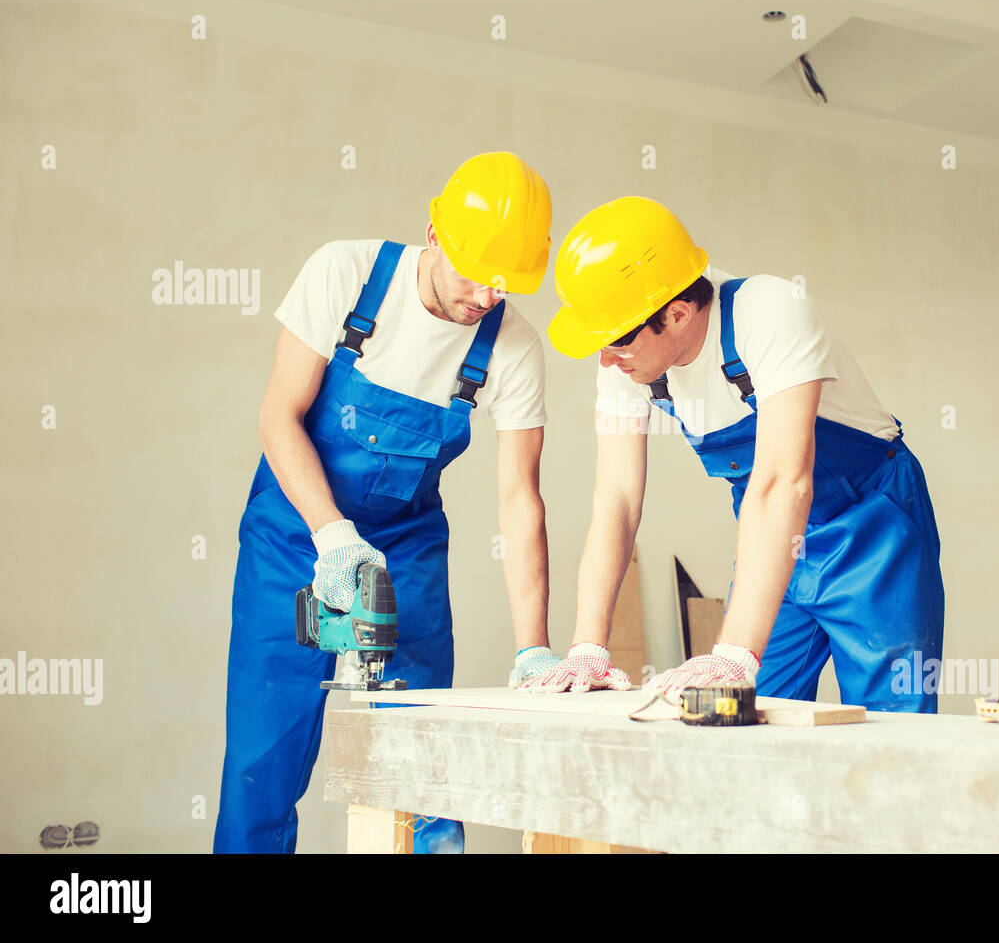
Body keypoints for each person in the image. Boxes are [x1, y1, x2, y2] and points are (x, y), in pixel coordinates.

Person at [215, 152, 562, 853]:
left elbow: (520, 499)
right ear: (433, 234)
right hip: (293, 537)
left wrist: (533, 649)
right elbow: (278, 418)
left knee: (422, 763)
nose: (485, 297)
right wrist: (333, 535)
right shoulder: (346, 275)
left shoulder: (512, 348)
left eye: (503, 283)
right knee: (262, 764)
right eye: (473, 272)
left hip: (406, 548)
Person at [522, 196, 943, 712]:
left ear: (677, 314)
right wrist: (588, 647)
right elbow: (617, 499)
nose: (605, 360)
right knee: (747, 715)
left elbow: (785, 481)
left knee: (888, 727)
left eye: (614, 342)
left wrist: (735, 652)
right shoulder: (626, 364)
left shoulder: (770, 312)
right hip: (772, 539)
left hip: (872, 533)